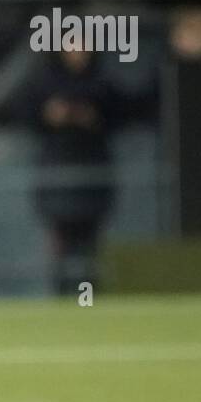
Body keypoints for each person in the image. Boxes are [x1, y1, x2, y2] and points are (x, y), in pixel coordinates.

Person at [29, 42, 119, 295]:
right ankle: (60, 295)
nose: (77, 52)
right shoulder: (44, 84)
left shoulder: (102, 84)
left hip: (94, 175)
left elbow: (121, 111)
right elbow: (25, 113)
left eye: (82, 45)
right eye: (71, 45)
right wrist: (49, 115)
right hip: (57, 177)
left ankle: (91, 295)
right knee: (60, 244)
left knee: (91, 247)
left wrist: (91, 117)